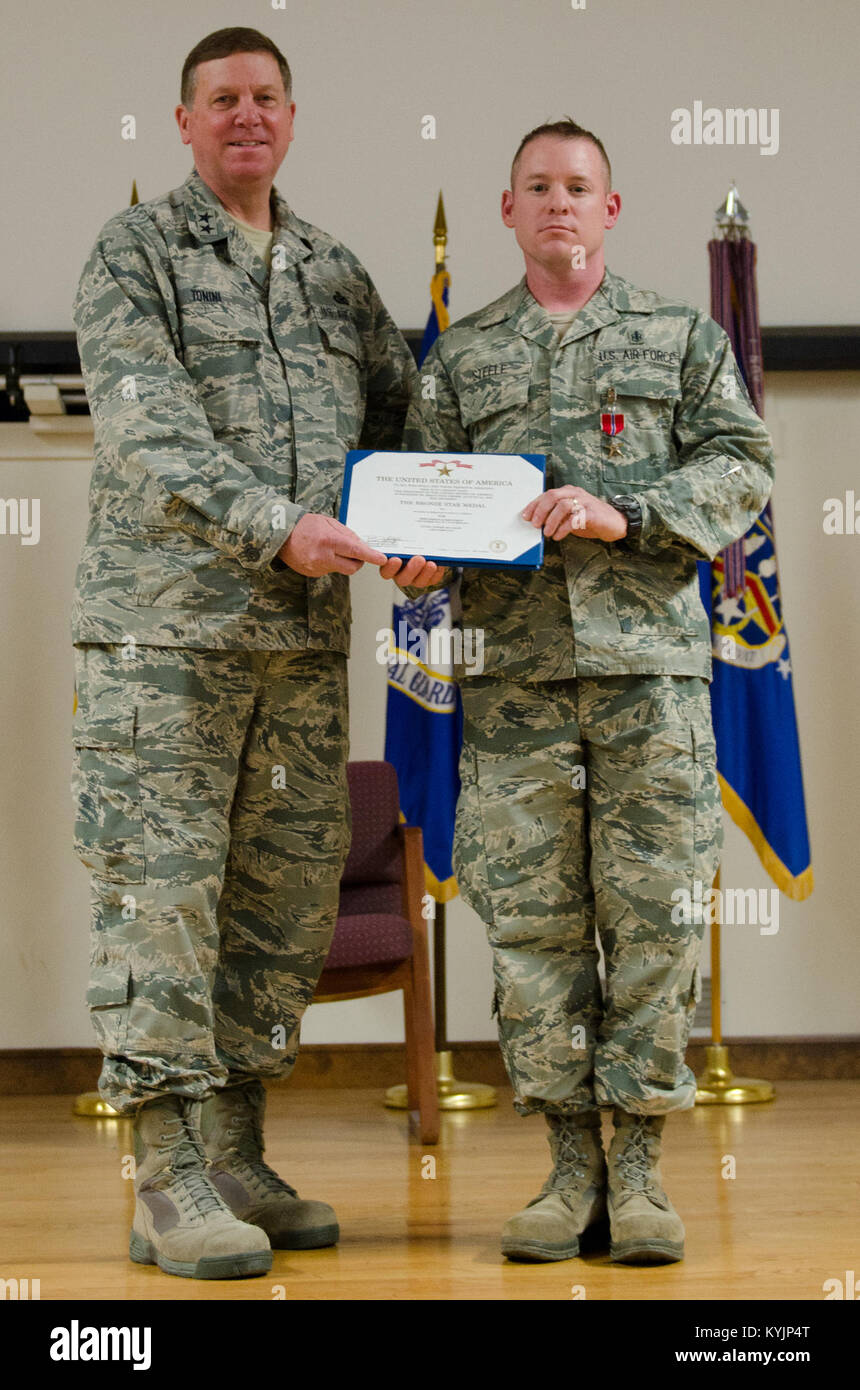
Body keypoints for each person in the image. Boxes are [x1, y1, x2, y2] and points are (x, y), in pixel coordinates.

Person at [71, 25, 441, 1281]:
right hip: (165, 645)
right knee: (162, 904)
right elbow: (144, 429)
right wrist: (275, 525)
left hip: (293, 650)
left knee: (276, 911)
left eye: (264, 96)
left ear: (292, 116)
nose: (245, 114)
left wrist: (445, 525)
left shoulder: (335, 274)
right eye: (220, 98)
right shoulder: (135, 255)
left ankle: (234, 1150)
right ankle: (165, 1176)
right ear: (183, 122)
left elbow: (403, 426)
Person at [402, 119, 774, 1264]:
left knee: (654, 920)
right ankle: (568, 1172)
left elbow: (741, 462)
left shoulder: (677, 338)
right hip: (511, 685)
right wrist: (416, 557)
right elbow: (422, 502)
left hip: (648, 683)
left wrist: (633, 514)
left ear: (609, 209)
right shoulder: (459, 360)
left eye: (578, 187)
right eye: (536, 188)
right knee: (532, 931)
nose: (557, 204)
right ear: (507, 209)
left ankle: (642, 1173)